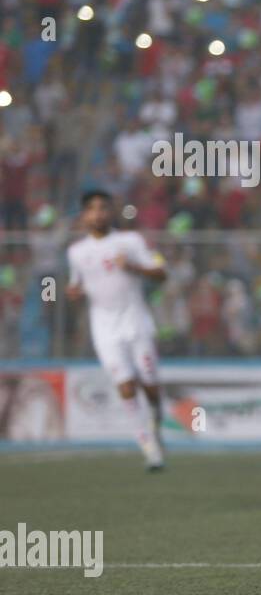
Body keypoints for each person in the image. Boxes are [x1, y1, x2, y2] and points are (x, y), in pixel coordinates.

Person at [66, 190, 168, 470]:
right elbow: (77, 284)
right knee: (125, 386)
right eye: (92, 209)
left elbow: (161, 273)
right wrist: (73, 292)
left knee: (149, 383)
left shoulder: (130, 241)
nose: (98, 213)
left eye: (103, 208)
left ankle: (156, 422)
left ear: (111, 212)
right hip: (104, 328)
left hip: (136, 322)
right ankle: (149, 448)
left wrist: (134, 266)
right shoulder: (76, 252)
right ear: (84, 215)